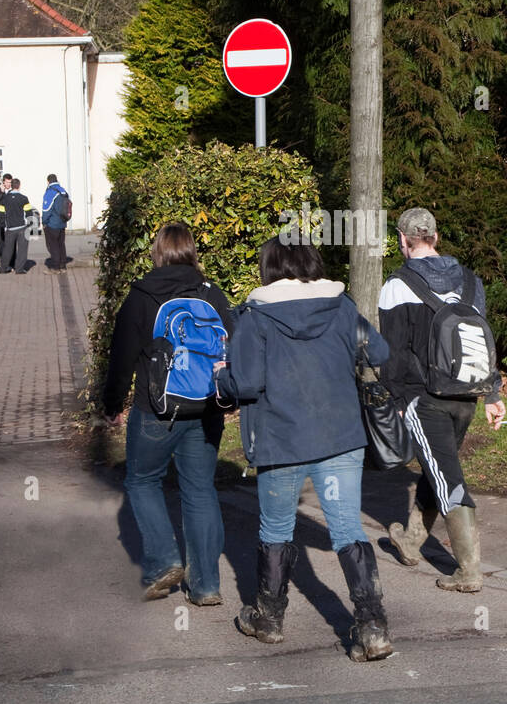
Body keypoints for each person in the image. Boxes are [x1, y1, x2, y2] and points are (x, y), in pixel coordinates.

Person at [215, 237, 394, 661]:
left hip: (281, 439)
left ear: (270, 268)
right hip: (340, 435)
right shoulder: (341, 305)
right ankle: (371, 626)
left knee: (276, 529)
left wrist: (220, 378)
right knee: (348, 528)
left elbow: (245, 384)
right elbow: (379, 351)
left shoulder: (255, 316)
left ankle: (269, 618)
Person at [102, 222, 232, 604]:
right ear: (192, 252)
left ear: (157, 252)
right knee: (199, 490)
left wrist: (112, 405)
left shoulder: (143, 295)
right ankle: (206, 585)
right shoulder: (212, 293)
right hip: (207, 407)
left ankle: (163, 562)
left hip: (157, 409)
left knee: (142, 481)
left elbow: (121, 358)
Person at [378, 208, 505, 593]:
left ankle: (468, 572)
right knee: (441, 464)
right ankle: (413, 538)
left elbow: (393, 354)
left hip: (424, 397)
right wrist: (492, 394)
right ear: (435, 236)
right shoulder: (471, 282)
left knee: (447, 476)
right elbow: (482, 341)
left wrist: (397, 401)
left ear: (403, 239)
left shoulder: (396, 285)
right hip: (466, 392)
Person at [0, 178, 34, 274]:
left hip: (9, 228)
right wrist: (30, 226)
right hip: (22, 227)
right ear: (19, 186)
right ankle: (19, 269)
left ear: (11, 186)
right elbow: (29, 213)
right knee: (22, 250)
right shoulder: (24, 198)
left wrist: (3, 226)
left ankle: (3, 268)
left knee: (7, 250)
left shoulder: (4, 199)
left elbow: (1, 214)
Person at [41, 174, 70, 273]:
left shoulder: (50, 192)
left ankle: (55, 267)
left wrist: (44, 222)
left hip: (52, 223)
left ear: (48, 181)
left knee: (53, 245)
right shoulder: (63, 191)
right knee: (61, 244)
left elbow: (46, 210)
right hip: (62, 222)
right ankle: (63, 266)